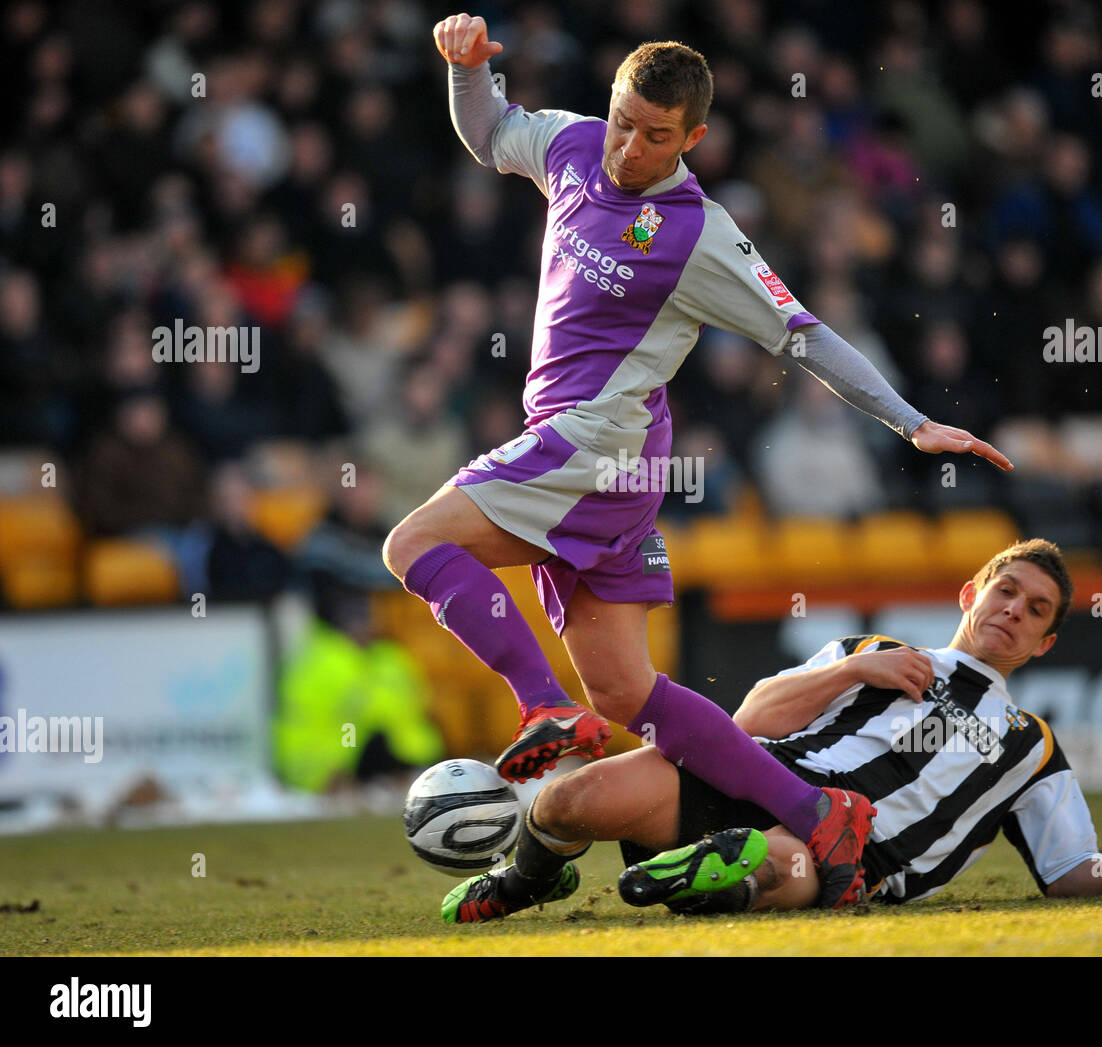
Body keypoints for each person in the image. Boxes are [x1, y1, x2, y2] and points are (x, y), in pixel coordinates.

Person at [383, 13, 1013, 910]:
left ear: (694, 140)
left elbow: (804, 334)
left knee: (410, 545)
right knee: (629, 690)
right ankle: (818, 810)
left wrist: (909, 422)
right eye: (624, 121)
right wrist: (465, 69)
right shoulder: (568, 147)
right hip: (607, 452)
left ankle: (539, 708)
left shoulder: (700, 233)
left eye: (657, 136)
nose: (630, 148)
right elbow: (488, 131)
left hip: (596, 441)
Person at [442, 539, 1102, 922]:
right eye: (1005, 591)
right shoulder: (874, 650)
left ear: (1046, 641)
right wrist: (850, 670)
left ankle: (716, 881)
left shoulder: (1032, 746)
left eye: (1035, 610)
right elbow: (743, 725)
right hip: (760, 776)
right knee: (564, 801)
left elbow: (1071, 873)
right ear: (969, 594)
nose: (1013, 611)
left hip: (857, 852)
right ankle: (530, 876)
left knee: (774, 865)